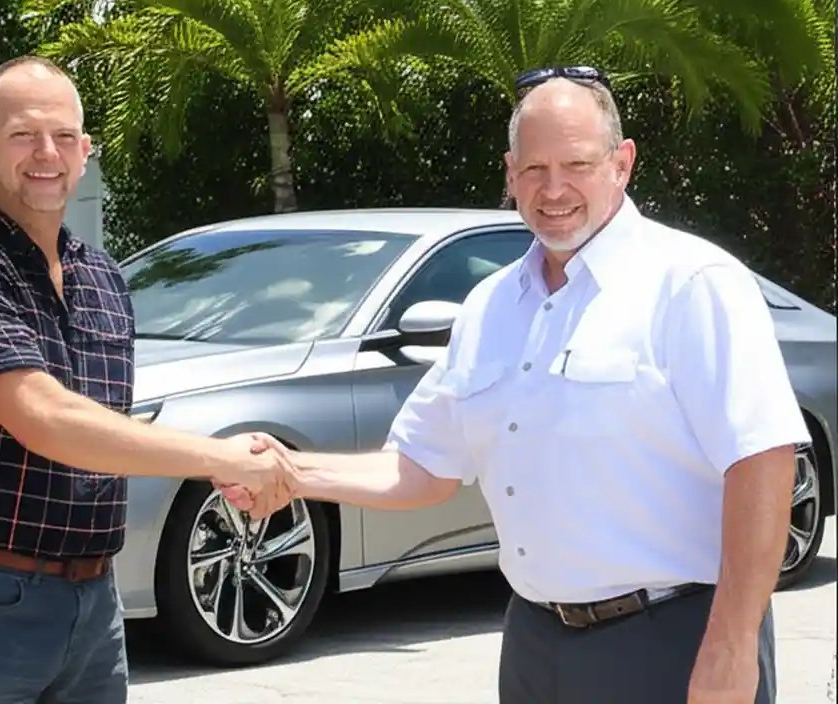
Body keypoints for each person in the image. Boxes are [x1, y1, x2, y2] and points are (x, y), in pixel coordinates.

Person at [228, 67, 810, 703]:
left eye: (577, 165)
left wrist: (730, 645)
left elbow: (762, 461)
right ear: (510, 173)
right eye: (534, 170)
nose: (554, 189)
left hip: (673, 639)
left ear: (622, 163)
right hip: (535, 644)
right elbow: (421, 466)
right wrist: (292, 474)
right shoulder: (491, 306)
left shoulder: (691, 284)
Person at [0, 55, 291, 704]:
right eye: (23, 135)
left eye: (65, 137)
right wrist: (222, 458)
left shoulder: (103, 278)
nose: (46, 153)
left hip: (96, 607)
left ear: (85, 153)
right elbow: (46, 419)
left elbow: (106, 436)